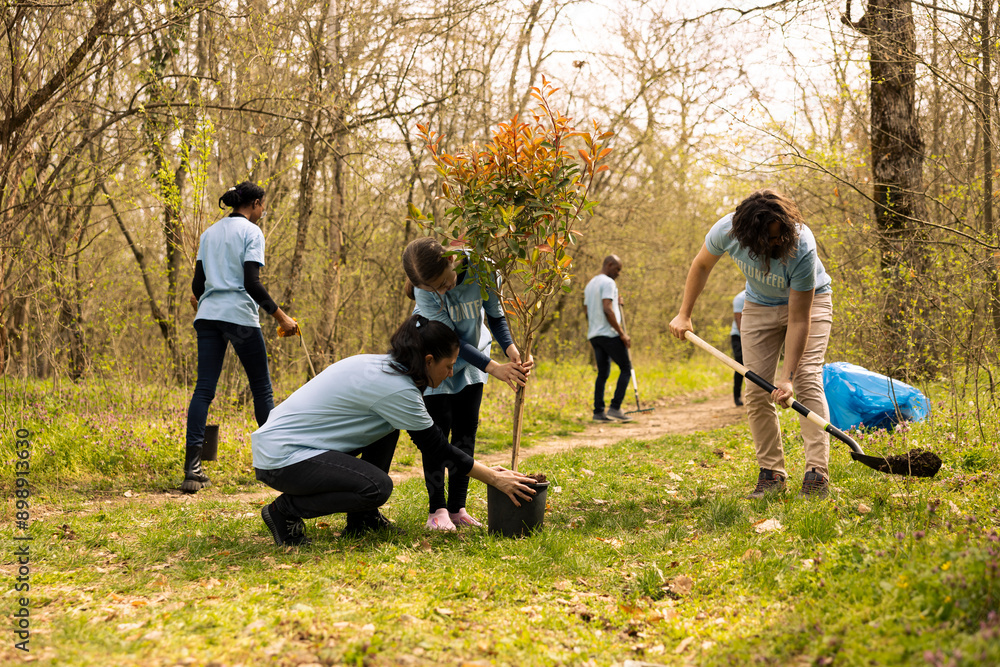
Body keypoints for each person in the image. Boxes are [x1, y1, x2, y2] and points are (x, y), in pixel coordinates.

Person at [250, 315, 537, 545]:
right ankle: (284, 511)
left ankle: (362, 520)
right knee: (377, 487)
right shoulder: (397, 389)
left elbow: (428, 441)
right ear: (428, 361)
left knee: (387, 428)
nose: (451, 373)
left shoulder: (384, 368)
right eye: (449, 366)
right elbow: (437, 448)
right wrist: (494, 478)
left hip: (287, 449)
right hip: (283, 459)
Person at [668, 189, 834, 499]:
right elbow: (702, 265)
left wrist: (787, 377)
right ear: (747, 238)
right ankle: (772, 473)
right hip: (757, 304)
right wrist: (684, 314)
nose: (776, 244)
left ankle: (816, 473)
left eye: (778, 237)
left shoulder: (802, 246)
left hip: (811, 304)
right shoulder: (726, 231)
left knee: (808, 377)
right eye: (768, 240)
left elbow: (799, 319)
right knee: (756, 388)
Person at [401, 237, 532, 531]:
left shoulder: (482, 268)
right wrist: (495, 367)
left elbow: (495, 316)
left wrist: (509, 348)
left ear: (451, 261)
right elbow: (450, 339)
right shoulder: (425, 290)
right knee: (437, 434)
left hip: (473, 362)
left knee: (465, 432)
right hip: (437, 362)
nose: (439, 291)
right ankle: (437, 510)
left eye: (442, 283)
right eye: (431, 289)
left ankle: (458, 508)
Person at [183, 181, 298, 494]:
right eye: (264, 205)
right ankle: (277, 461)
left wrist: (200, 298)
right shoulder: (252, 232)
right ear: (257, 203)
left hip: (207, 317)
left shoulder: (209, 233)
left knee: (204, 389)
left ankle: (192, 469)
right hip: (238, 318)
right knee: (261, 386)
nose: (263, 211)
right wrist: (281, 316)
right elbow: (251, 282)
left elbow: (197, 283)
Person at [584, 255, 632, 422]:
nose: (619, 273)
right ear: (609, 264)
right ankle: (615, 408)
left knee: (603, 373)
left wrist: (615, 301)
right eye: (617, 269)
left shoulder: (590, 284)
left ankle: (598, 412)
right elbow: (607, 309)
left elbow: (587, 310)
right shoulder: (609, 283)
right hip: (609, 334)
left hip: (594, 335)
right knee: (626, 368)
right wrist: (622, 334)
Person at [731, 289, 746, 406]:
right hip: (738, 336)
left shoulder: (764, 294)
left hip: (756, 334)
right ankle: (737, 397)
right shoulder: (740, 298)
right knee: (740, 365)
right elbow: (738, 321)